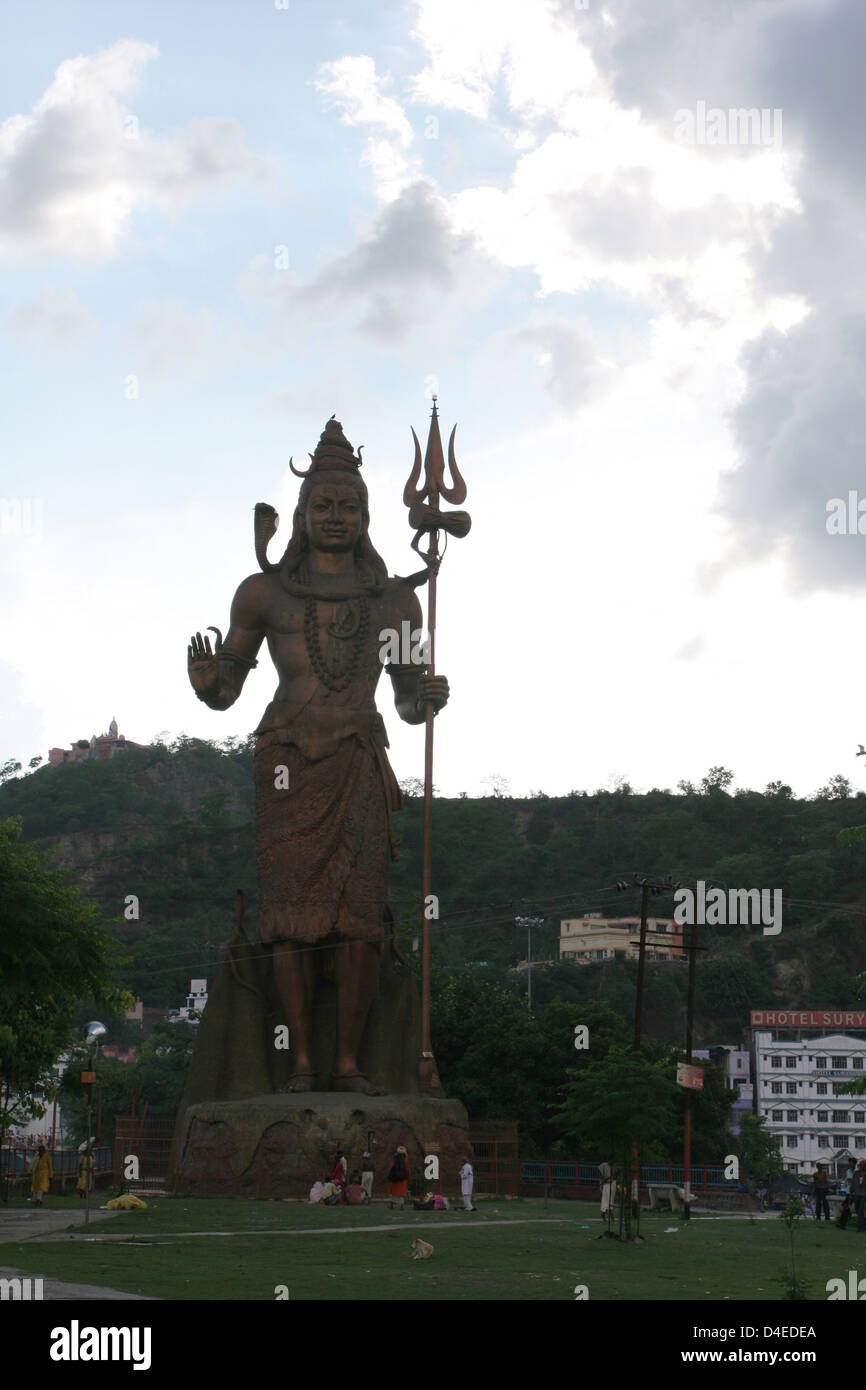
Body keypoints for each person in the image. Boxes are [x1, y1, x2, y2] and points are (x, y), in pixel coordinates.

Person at [187, 417, 450, 1096]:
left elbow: (407, 700)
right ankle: (300, 1061)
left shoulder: (396, 601)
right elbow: (227, 689)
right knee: (288, 921)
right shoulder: (264, 592)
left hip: (358, 755)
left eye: (349, 506)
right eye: (324, 505)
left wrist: (427, 696)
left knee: (359, 918)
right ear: (303, 514)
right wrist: (209, 682)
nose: (336, 517)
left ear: (366, 517)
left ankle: (349, 1062)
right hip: (286, 760)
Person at [852, 1159, 866, 1232]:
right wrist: (851, 1192)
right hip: (856, 1193)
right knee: (857, 1209)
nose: (861, 1166)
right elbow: (853, 1183)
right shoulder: (856, 1173)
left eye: (863, 1165)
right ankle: (863, 1224)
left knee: (860, 1210)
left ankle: (860, 1228)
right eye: (860, 1165)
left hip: (863, 1194)